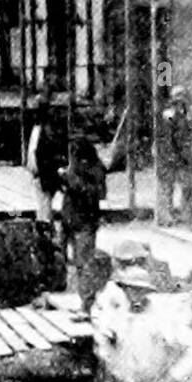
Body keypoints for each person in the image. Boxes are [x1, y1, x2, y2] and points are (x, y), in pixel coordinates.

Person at [63, 131, 107, 306]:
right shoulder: (75, 167)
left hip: (86, 220)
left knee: (85, 262)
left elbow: (99, 193)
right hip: (72, 219)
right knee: (78, 262)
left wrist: (74, 183)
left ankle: (87, 302)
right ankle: (84, 298)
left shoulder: (95, 168)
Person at [158, 87, 192, 225]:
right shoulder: (169, 115)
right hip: (170, 156)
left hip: (181, 155)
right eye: (179, 100)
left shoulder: (186, 115)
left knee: (188, 185)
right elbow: (169, 138)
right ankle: (167, 215)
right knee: (168, 187)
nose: (182, 102)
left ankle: (188, 212)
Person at [26, 91, 64, 225]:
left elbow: (42, 153)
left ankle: (45, 228)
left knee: (44, 206)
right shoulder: (40, 128)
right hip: (40, 173)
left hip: (43, 174)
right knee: (42, 205)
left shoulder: (45, 129)